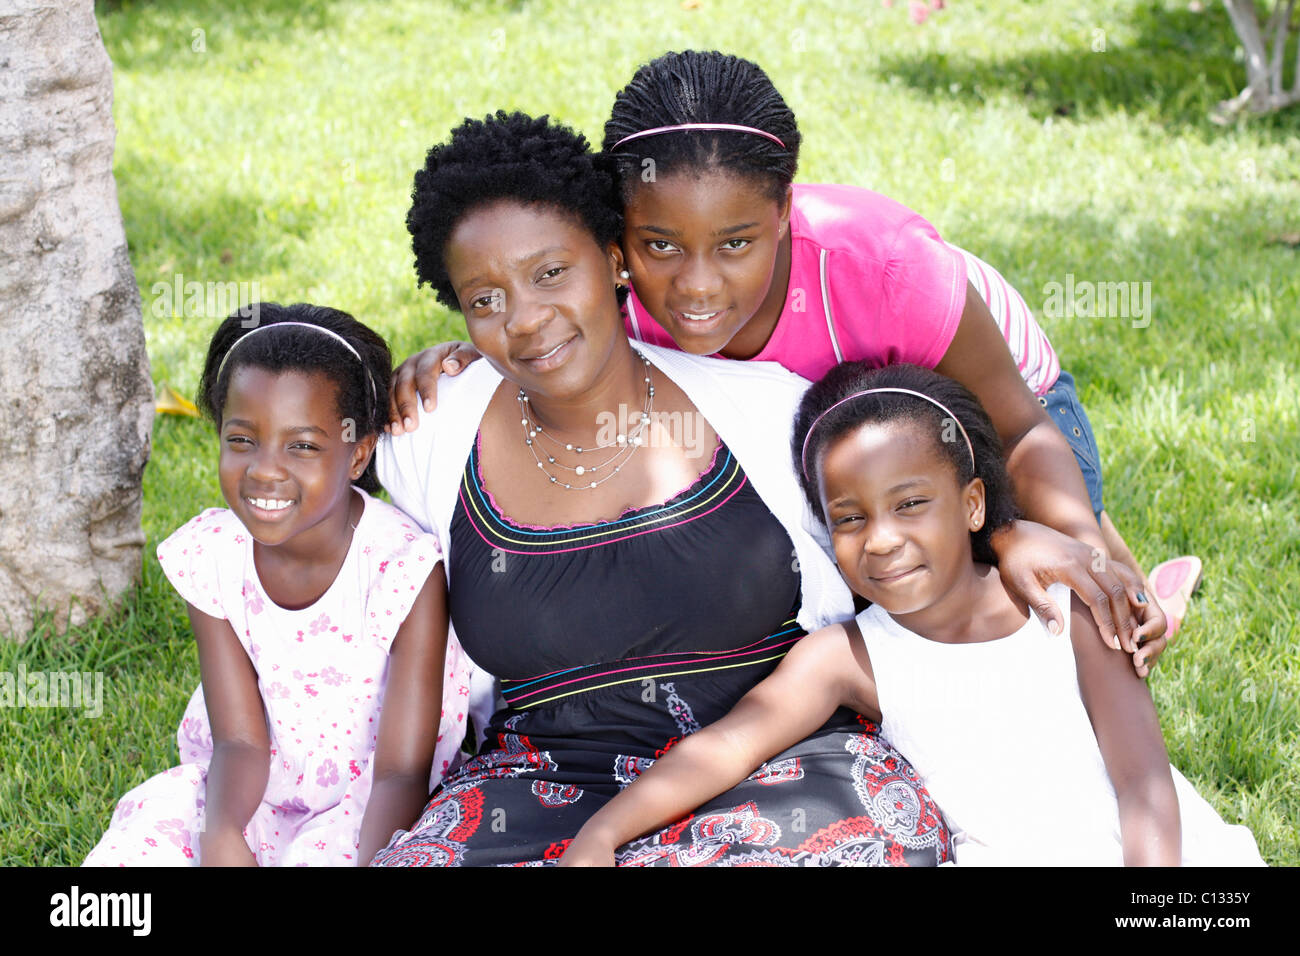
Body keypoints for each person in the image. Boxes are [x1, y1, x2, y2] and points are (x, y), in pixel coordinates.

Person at [390, 51, 1189, 656]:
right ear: (616, 242)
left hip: (983, 405)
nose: (695, 288)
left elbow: (1018, 426)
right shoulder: (614, 298)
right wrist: (464, 350)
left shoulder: (885, 269)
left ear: (783, 211)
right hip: (827, 439)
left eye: (735, 243)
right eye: (660, 244)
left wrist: (1043, 534)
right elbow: (540, 303)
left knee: (1054, 579)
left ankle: (1123, 565)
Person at [370, 111, 952, 866]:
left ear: (614, 260)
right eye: (485, 299)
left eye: (551, 273)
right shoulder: (431, 439)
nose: (526, 319)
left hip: (776, 774)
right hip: (536, 792)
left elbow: (909, 579)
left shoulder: (769, 412)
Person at [560, 363, 1264, 867]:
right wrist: (602, 833)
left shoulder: (1066, 603)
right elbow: (726, 747)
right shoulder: (849, 657)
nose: (883, 538)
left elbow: (1143, 780)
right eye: (850, 517)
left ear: (973, 505)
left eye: (910, 504)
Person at [84, 303, 472, 866]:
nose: (265, 469)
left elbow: (400, 772)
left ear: (358, 453)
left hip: (371, 806)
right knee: (146, 847)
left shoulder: (404, 569)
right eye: (242, 440)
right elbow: (239, 742)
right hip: (252, 791)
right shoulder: (216, 556)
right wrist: (223, 835)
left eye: (304, 445)